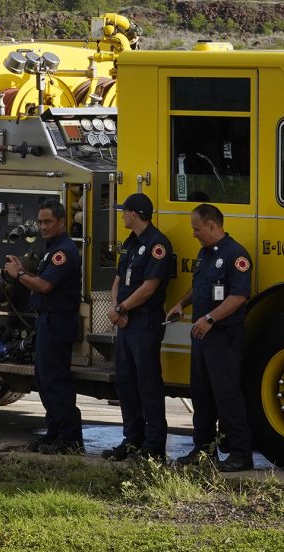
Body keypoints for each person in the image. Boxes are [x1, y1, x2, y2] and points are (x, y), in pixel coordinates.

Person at [167, 203, 255, 472]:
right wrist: (182, 304)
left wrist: (210, 319)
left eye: (197, 229)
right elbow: (200, 287)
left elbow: (238, 296)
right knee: (201, 393)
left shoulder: (236, 255)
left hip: (223, 337)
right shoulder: (204, 254)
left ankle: (241, 453)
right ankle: (204, 449)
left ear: (212, 225)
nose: (194, 234)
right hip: (202, 336)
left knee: (226, 394)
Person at [5, 199, 83, 455]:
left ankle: (70, 439)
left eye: (48, 221)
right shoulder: (51, 249)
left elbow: (45, 286)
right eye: (40, 222)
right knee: (45, 380)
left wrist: (18, 275)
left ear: (62, 222)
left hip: (59, 321)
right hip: (47, 321)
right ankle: (54, 433)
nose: (43, 226)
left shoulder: (64, 251)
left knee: (56, 381)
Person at [103, 192, 173, 462]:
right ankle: (132, 441)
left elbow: (150, 287)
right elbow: (118, 280)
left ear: (135, 213)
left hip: (145, 320)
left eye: (125, 211)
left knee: (148, 383)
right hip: (126, 321)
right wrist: (115, 308)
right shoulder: (130, 243)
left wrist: (121, 309)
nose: (122, 215)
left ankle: (153, 446)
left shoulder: (158, 244)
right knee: (125, 381)